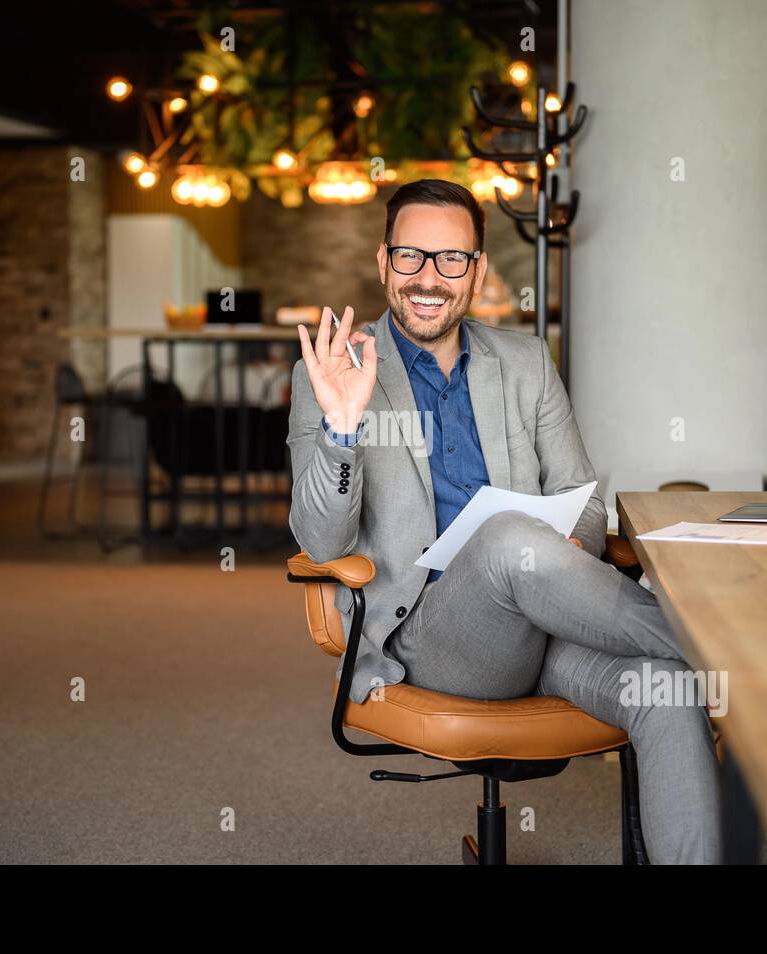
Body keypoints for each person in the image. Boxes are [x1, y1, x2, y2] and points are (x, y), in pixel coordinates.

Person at [287, 178, 720, 863]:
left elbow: (582, 499)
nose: (429, 278)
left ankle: (706, 664)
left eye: (451, 258)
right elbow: (320, 540)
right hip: (428, 639)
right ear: (383, 262)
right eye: (410, 256)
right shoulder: (336, 368)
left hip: (551, 623)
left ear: (478, 269)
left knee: (669, 694)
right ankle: (734, 654)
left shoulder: (524, 361)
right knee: (509, 538)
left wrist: (563, 556)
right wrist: (343, 426)